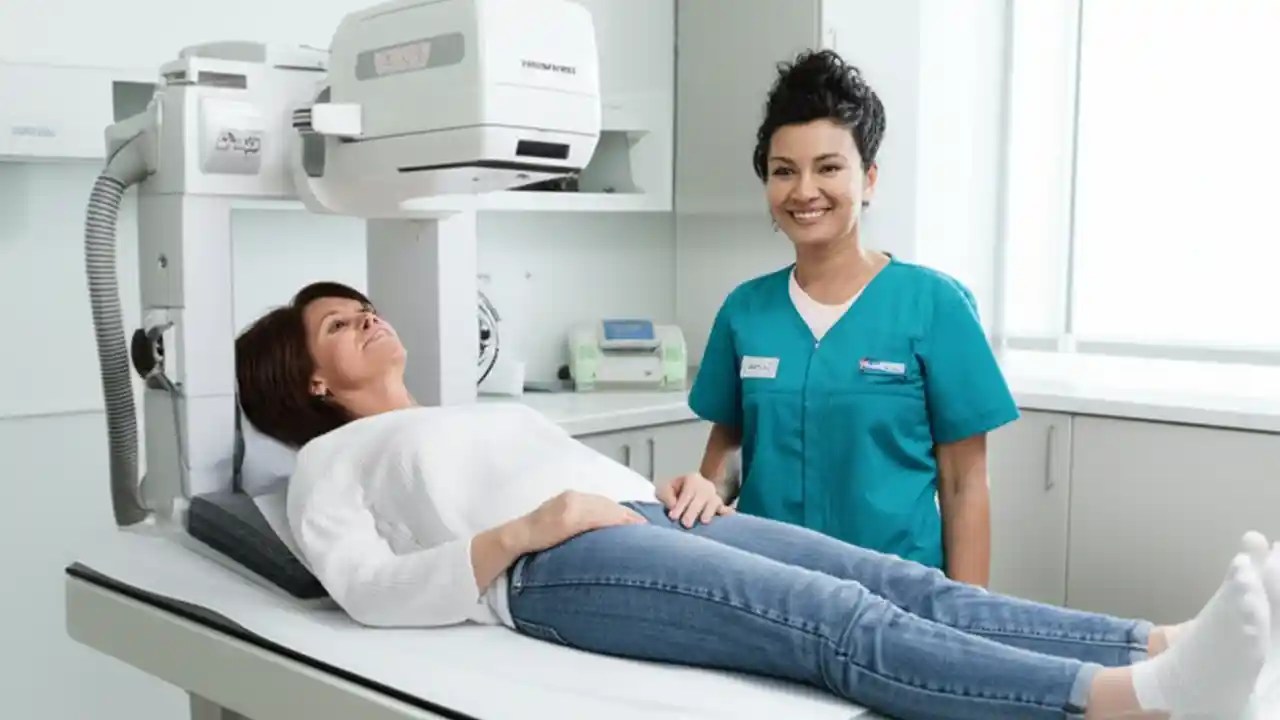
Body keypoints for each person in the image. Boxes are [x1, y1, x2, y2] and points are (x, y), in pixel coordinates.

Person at [234, 280, 1277, 720]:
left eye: (363, 307)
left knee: (901, 580)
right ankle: (1125, 705)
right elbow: (366, 589)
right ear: (309, 381)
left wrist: (675, 484)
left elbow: (597, 480)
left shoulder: (469, 410)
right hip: (553, 567)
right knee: (837, 624)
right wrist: (526, 531)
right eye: (337, 324)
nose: (365, 319)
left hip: (648, 514)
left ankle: (1145, 642)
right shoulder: (332, 463)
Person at [680, 48, 1016, 584]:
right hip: (770, 591)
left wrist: (967, 618)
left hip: (897, 598)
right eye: (783, 171)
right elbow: (731, 456)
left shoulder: (935, 306)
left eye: (829, 168)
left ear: (870, 178)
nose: (804, 190)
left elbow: (964, 483)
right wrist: (705, 488)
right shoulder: (746, 311)